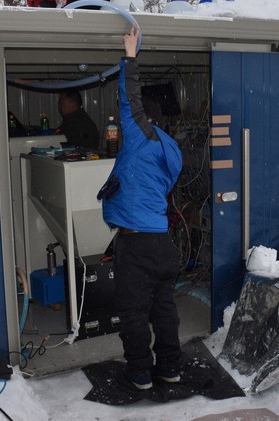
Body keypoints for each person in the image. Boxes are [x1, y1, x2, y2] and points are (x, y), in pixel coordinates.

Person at [98, 26, 184, 391]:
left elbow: (128, 97)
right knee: (164, 310)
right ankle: (169, 367)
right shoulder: (172, 148)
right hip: (162, 243)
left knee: (133, 312)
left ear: (141, 119)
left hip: (136, 245)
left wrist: (129, 55)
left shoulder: (138, 135)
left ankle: (138, 373)